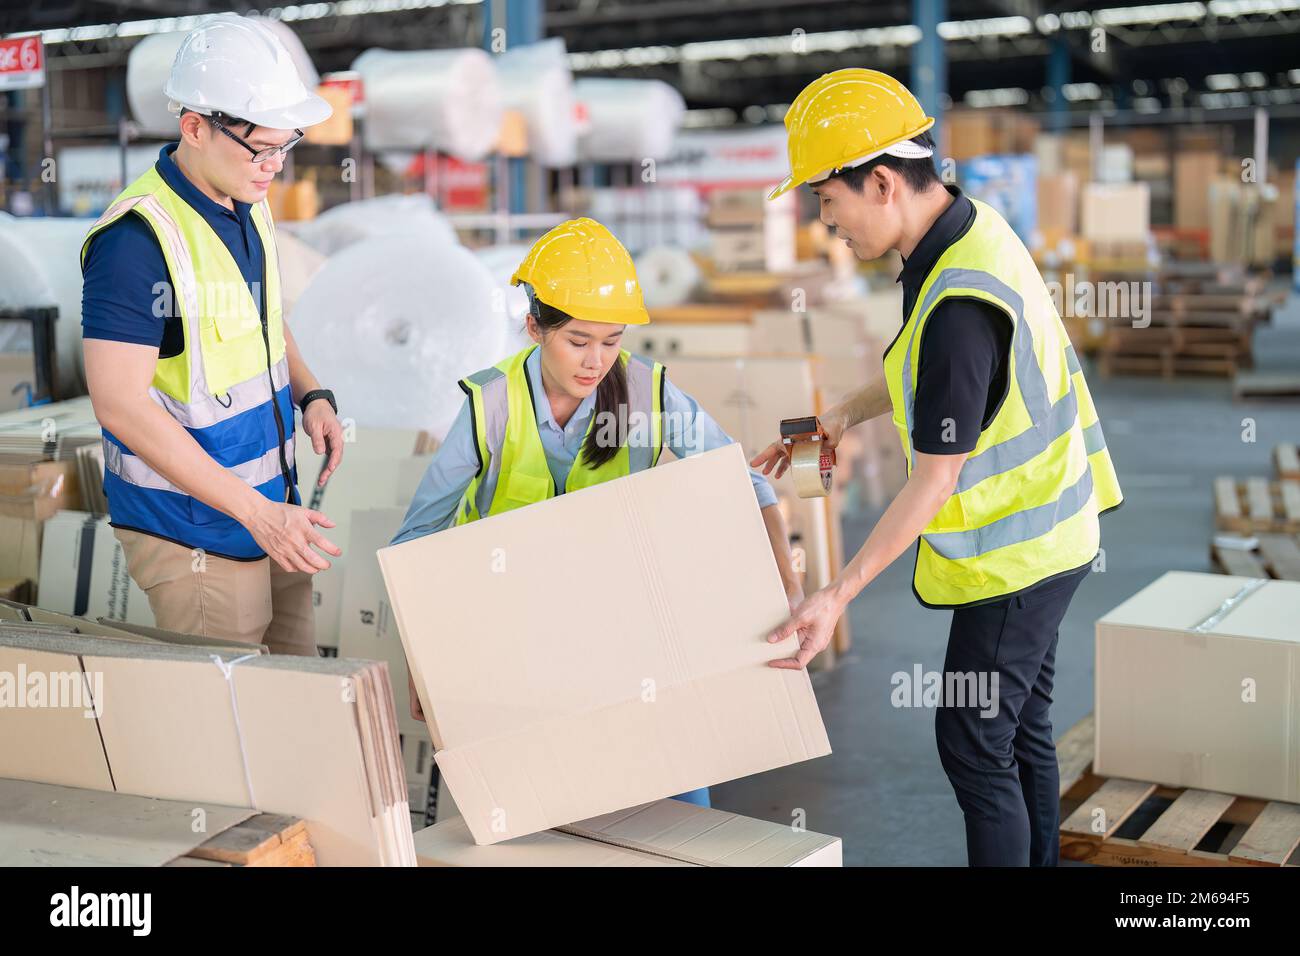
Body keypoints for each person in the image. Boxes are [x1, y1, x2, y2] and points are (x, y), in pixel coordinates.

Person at [751, 69, 1123, 865]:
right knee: (1017, 728)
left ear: (881, 183)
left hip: (1020, 555)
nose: (828, 224)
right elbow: (924, 372)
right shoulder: (963, 228)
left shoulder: (959, 303)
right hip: (1055, 527)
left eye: (828, 201)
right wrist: (837, 416)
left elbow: (936, 476)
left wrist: (835, 594)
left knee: (973, 739)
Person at [393, 217, 804, 808]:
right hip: (512, 625)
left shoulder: (647, 392)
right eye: (578, 341)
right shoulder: (490, 403)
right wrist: (424, 658)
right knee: (537, 803)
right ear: (534, 327)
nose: (596, 361)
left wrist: (788, 595)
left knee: (677, 785)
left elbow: (750, 488)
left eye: (612, 341)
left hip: (619, 614)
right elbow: (419, 536)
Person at [80, 15, 344, 655]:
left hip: (271, 509)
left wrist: (311, 393)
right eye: (261, 149)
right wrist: (256, 515)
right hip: (197, 533)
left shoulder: (246, 202)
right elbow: (118, 403)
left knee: (291, 697)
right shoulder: (137, 243)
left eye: (287, 146)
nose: (275, 167)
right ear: (194, 126)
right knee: (225, 732)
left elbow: (260, 316)